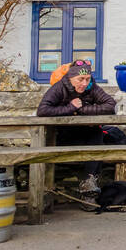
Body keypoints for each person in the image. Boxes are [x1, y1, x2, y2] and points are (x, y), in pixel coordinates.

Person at [37, 60, 116, 194]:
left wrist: (82, 109)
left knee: (96, 133)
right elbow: (42, 110)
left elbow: (110, 105)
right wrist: (70, 107)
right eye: (80, 79)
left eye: (87, 79)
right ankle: (88, 183)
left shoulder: (92, 87)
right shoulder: (59, 87)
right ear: (71, 78)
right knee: (96, 140)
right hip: (61, 136)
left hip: (85, 134)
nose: (84, 83)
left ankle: (89, 182)